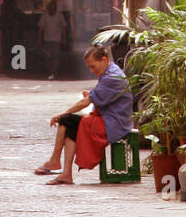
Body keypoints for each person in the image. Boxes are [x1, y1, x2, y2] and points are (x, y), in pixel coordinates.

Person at [34, 44, 134, 185]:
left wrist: (62, 112)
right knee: (68, 124)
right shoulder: (110, 72)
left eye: (93, 66)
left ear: (104, 60)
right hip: (108, 118)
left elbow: (84, 103)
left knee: (67, 119)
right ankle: (63, 171)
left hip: (114, 123)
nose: (91, 71)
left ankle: (56, 163)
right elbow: (100, 95)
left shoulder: (112, 77)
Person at [38, 0, 64, 79]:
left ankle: (53, 71)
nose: (52, 9)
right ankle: (50, 70)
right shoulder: (44, 16)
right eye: (50, 7)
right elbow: (41, 28)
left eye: (54, 7)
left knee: (55, 56)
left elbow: (63, 28)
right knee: (47, 56)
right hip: (47, 39)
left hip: (57, 39)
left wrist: (64, 38)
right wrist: (39, 38)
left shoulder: (59, 15)